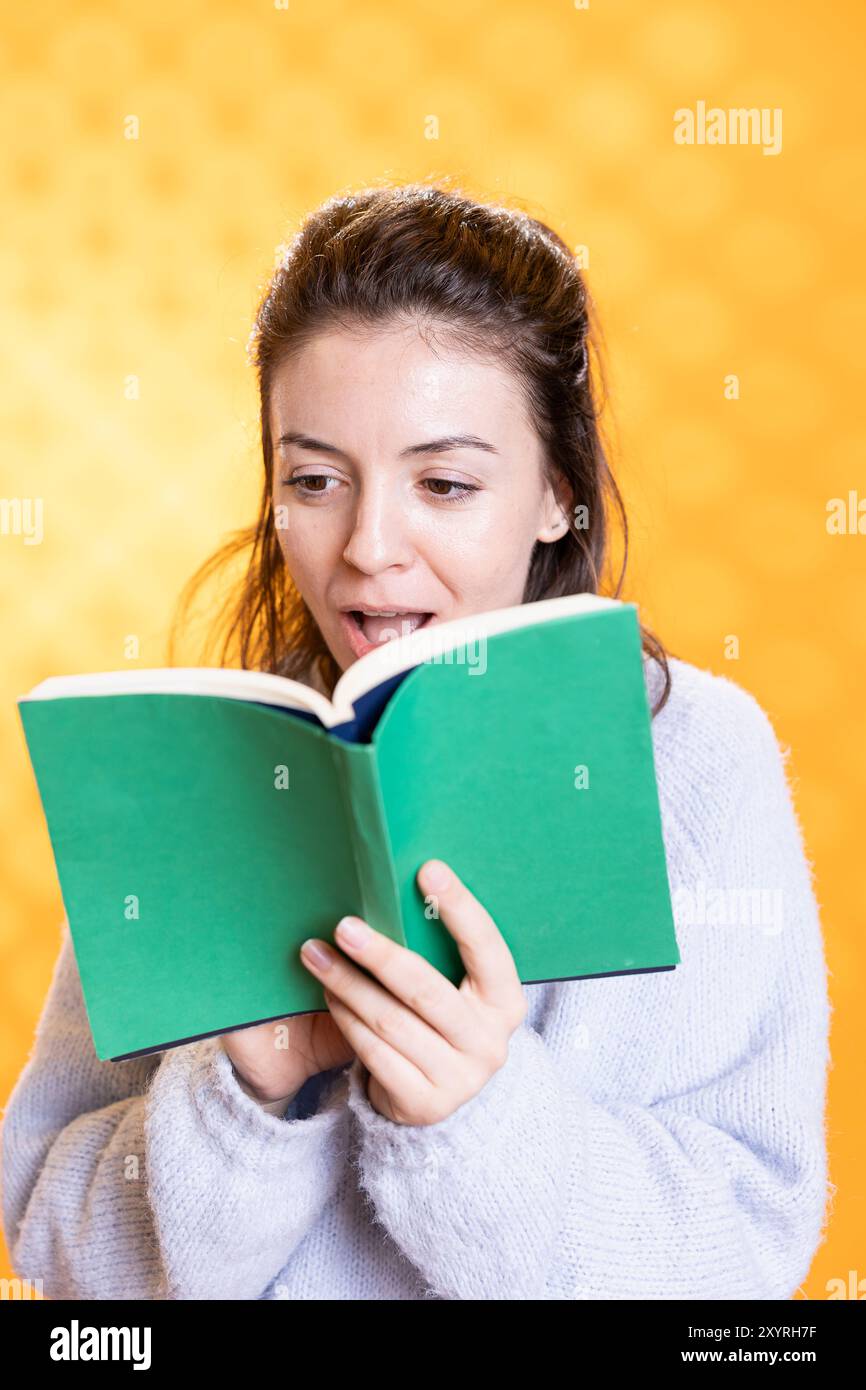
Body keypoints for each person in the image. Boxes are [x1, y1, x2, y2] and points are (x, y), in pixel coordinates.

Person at [1, 182, 832, 1300]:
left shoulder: (696, 761)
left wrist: (472, 1117)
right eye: (313, 479)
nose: (368, 547)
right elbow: (50, 1238)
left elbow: (743, 1260)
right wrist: (245, 1097)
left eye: (443, 482)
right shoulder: (204, 767)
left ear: (556, 495)